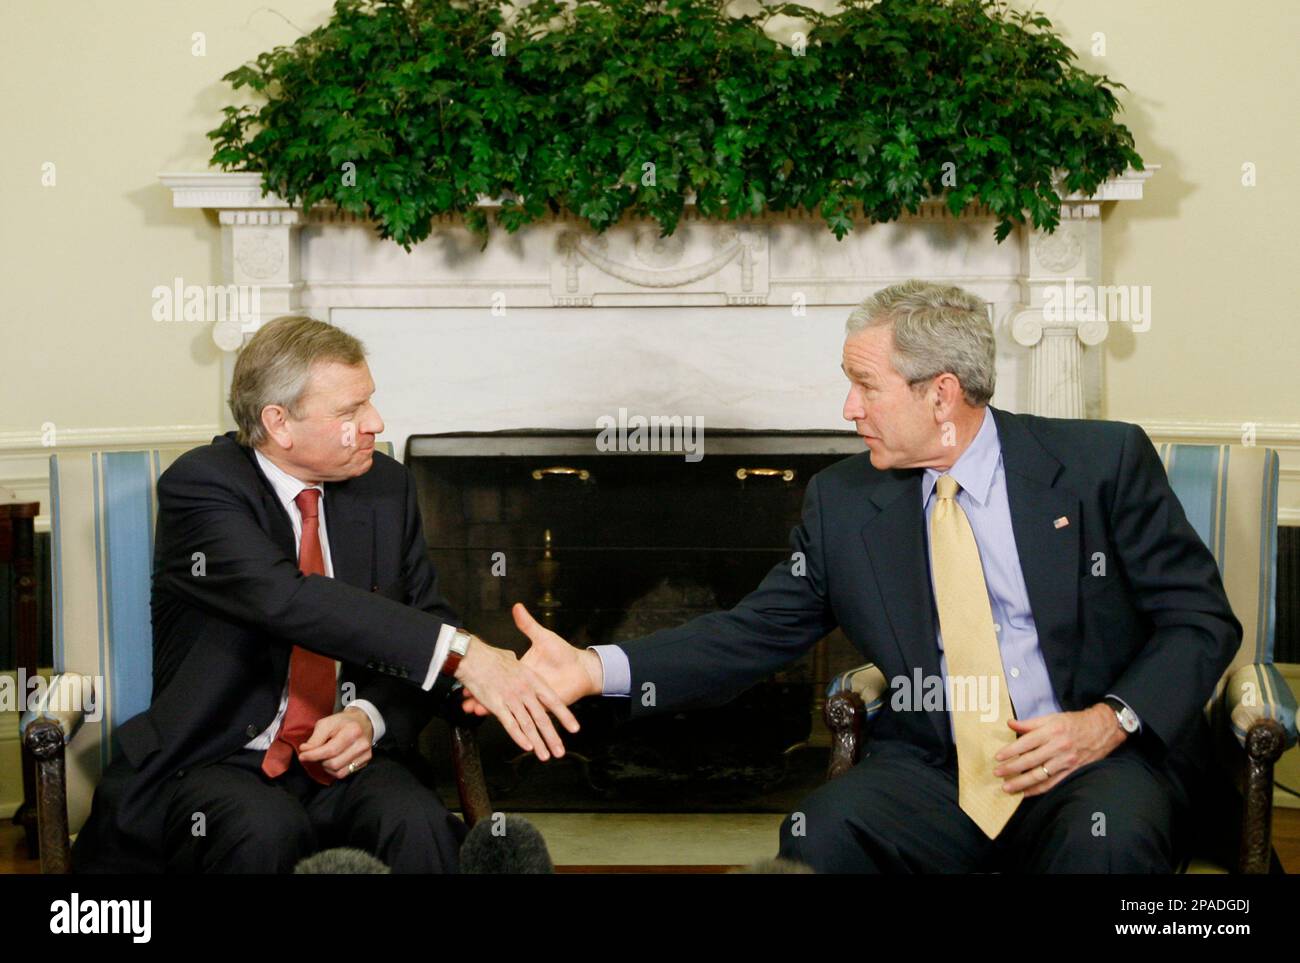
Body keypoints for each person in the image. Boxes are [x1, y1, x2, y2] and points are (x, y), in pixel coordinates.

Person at [470, 279, 1242, 873]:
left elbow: (1200, 619)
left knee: (1102, 850)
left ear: (941, 393)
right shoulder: (845, 502)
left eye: (866, 386)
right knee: (819, 833)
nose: (848, 408)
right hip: (936, 770)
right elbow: (749, 632)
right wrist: (594, 665)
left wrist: (1105, 721)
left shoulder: (1099, 464)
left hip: (1092, 759)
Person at [72, 315, 577, 873]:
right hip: (218, 760)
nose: (375, 423)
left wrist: (368, 718)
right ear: (278, 423)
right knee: (261, 831)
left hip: (348, 761)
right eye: (349, 412)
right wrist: (464, 652)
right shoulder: (203, 486)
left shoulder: (385, 487)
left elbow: (420, 619)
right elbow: (286, 600)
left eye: (370, 402)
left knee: (418, 824)